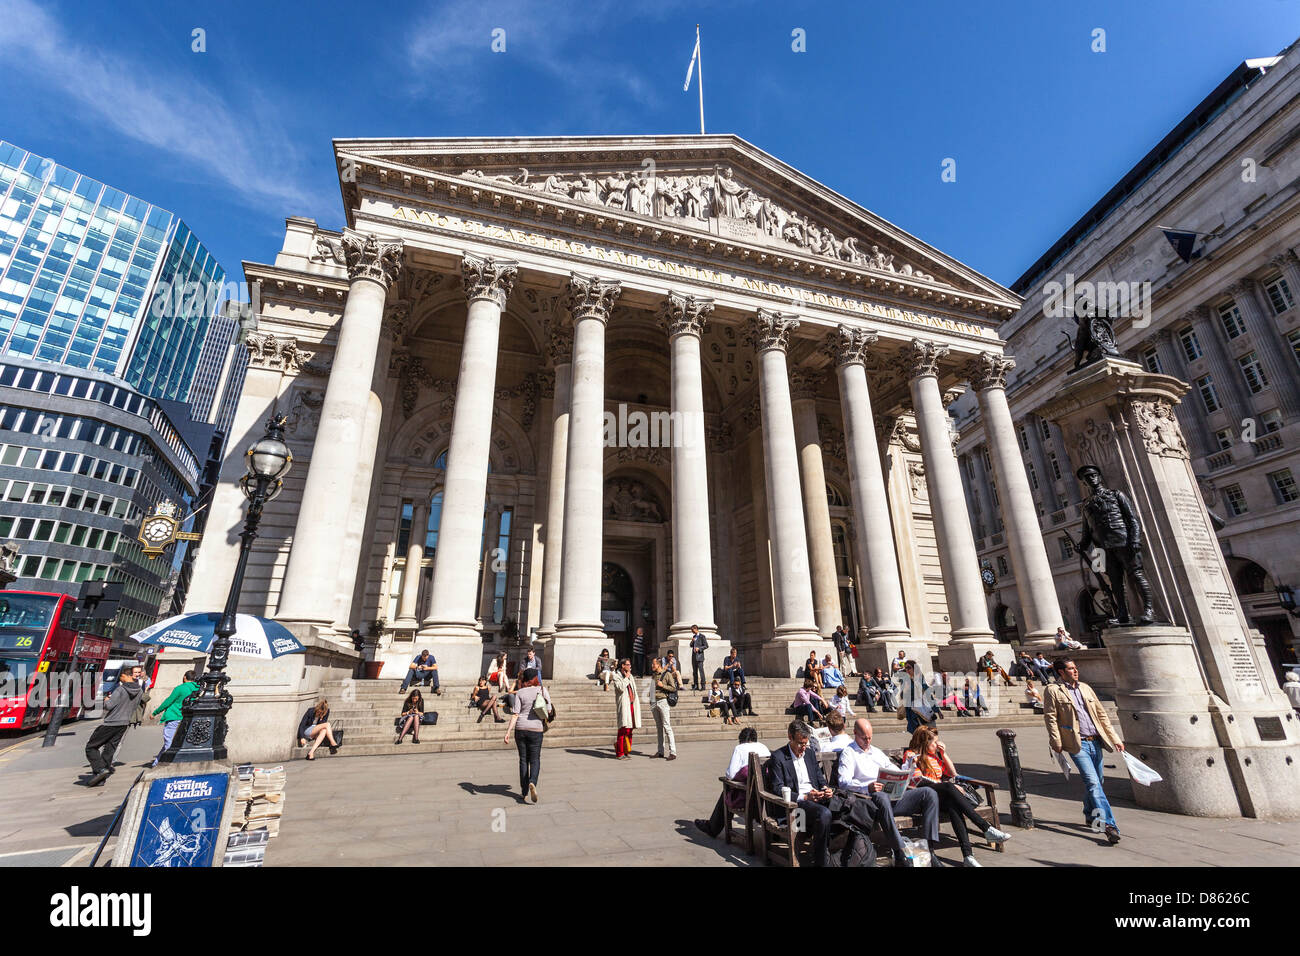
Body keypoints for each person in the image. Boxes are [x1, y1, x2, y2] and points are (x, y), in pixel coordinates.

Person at [836, 718, 942, 867]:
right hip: (870, 801)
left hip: (891, 800)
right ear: (854, 733)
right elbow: (844, 782)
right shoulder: (849, 753)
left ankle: (929, 851)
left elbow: (897, 771)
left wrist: (908, 768)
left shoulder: (876, 752)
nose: (867, 741)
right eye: (864, 738)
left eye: (870, 737)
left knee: (929, 793)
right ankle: (899, 852)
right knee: (881, 796)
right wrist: (867, 787)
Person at [1044, 657, 1125, 844]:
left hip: (1095, 741)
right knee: (1093, 783)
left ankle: (1089, 813)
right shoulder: (1053, 690)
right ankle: (1109, 825)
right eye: (1071, 668)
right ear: (1061, 672)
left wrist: (1115, 738)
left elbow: (1101, 715)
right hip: (1076, 743)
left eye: (1075, 667)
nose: (1075, 670)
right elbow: (1050, 717)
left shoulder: (1086, 688)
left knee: (1098, 781)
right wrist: (1055, 741)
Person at [903, 725, 1009, 867]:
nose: (937, 744)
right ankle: (985, 828)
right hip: (924, 800)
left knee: (954, 806)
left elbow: (953, 774)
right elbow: (917, 782)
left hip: (942, 798)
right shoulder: (911, 755)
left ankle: (968, 857)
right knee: (948, 787)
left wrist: (943, 754)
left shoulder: (935, 756)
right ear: (924, 743)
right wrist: (948, 786)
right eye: (934, 742)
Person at [765, 720, 834, 866]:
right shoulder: (778, 757)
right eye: (800, 743)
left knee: (846, 806)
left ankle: (835, 854)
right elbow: (777, 788)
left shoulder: (809, 754)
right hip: (795, 807)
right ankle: (822, 861)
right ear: (790, 737)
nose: (803, 747)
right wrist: (804, 797)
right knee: (825, 814)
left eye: (805, 743)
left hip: (816, 799)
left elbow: (820, 779)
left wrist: (826, 789)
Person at [694, 726, 770, 838]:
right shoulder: (764, 747)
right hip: (765, 796)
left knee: (726, 789)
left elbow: (730, 774)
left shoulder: (739, 748)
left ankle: (713, 827)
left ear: (741, 739)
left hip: (747, 796)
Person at [84, 664, 143, 786]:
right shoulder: (139, 691)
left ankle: (100, 769)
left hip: (111, 722)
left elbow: (109, 706)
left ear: (126, 676)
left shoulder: (121, 689)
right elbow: (135, 706)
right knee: (109, 750)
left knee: (91, 747)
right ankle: (101, 779)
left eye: (121, 676)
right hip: (124, 723)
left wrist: (106, 701)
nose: (120, 678)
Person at [503, 668, 551, 803]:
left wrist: (508, 732)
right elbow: (549, 710)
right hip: (536, 729)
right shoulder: (542, 690)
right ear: (534, 679)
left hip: (520, 729)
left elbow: (515, 713)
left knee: (523, 760)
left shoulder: (520, 692)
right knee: (535, 759)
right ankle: (532, 782)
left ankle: (524, 792)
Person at [150, 670, 198, 767]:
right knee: (172, 742)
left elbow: (168, 701)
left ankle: (168, 763)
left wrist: (155, 712)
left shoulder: (180, 688)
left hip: (174, 716)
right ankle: (156, 763)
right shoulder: (198, 689)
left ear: (185, 677)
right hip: (187, 718)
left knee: (169, 742)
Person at [651, 657, 680, 760]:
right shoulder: (654, 675)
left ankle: (673, 752)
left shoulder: (667, 674)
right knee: (659, 727)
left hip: (663, 701)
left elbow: (673, 688)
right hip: (654, 702)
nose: (652, 666)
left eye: (653, 664)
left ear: (658, 664)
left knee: (667, 726)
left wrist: (662, 685)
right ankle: (660, 751)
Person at [611, 657, 640, 759]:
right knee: (623, 729)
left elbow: (633, 689)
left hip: (632, 704)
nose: (630, 666)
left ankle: (627, 750)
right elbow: (620, 688)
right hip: (624, 705)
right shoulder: (616, 676)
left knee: (630, 729)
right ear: (623, 666)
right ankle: (620, 753)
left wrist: (628, 677)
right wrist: (626, 678)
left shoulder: (630, 676)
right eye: (628, 665)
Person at [900, 660, 937, 733]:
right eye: (905, 668)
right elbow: (902, 695)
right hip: (912, 709)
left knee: (929, 731)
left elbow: (927, 692)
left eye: (909, 668)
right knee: (916, 731)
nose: (907, 670)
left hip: (923, 707)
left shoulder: (920, 677)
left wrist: (937, 710)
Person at [689, 624, 708, 690]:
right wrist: (692, 641)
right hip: (694, 656)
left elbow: (706, 645)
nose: (692, 631)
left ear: (696, 629)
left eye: (692, 630)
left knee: (701, 671)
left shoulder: (702, 636)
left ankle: (703, 685)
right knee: (694, 672)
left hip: (700, 657)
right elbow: (691, 645)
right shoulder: (694, 636)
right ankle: (696, 685)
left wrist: (699, 649)